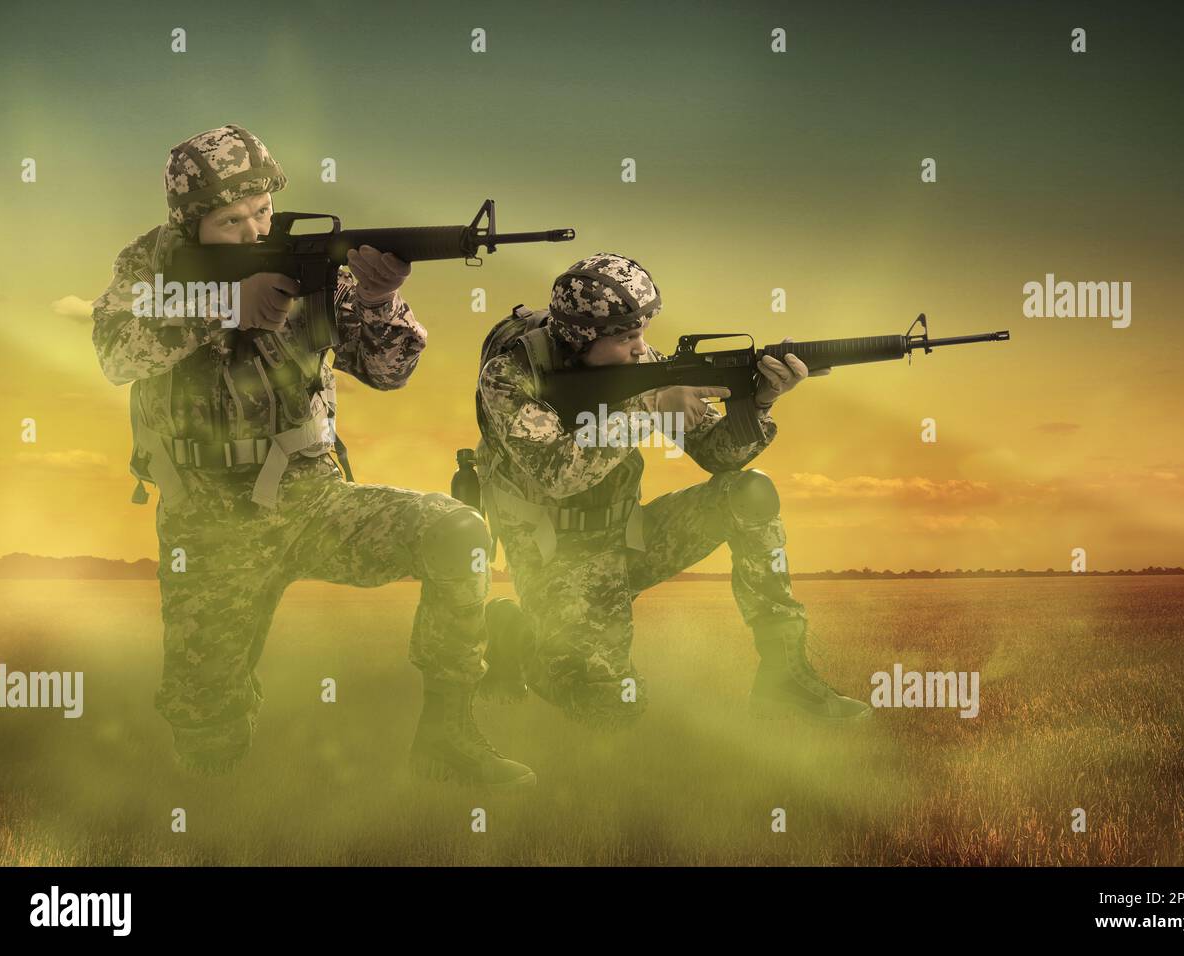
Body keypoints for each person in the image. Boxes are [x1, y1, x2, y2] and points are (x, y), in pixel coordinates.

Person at [90, 124, 534, 788]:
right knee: (206, 742)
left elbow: (387, 372)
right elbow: (116, 352)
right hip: (206, 522)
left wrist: (380, 298)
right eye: (231, 220)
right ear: (189, 223)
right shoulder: (148, 265)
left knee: (459, 536)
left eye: (261, 212)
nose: (251, 231)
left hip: (313, 498)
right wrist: (226, 304)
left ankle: (447, 737)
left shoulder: (314, 267)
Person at [474, 252, 872, 728]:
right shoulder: (508, 376)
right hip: (555, 556)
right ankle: (513, 632)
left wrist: (761, 399)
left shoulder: (642, 365)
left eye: (643, 332)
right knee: (610, 708)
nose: (642, 349)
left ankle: (784, 678)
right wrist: (649, 408)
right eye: (625, 338)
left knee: (749, 494)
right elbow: (560, 474)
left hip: (627, 538)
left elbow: (719, 458)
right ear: (580, 339)